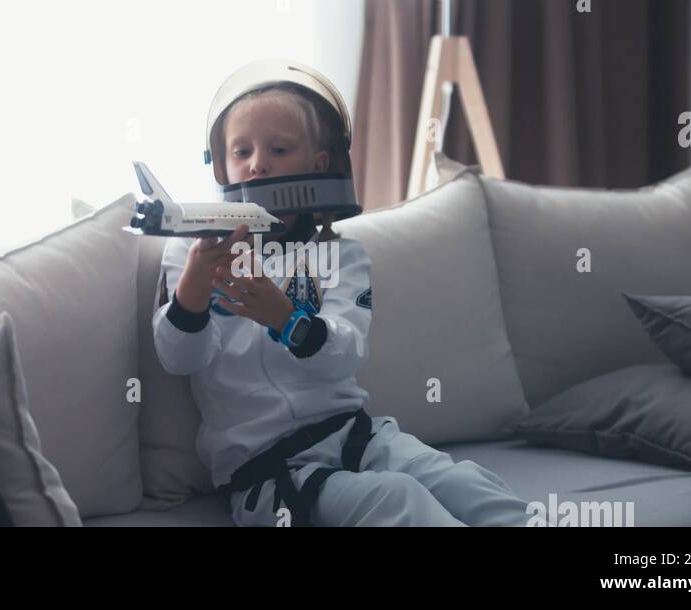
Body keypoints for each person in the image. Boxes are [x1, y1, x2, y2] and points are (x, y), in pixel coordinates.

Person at [153, 59, 539, 526]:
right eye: (241, 151)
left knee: (462, 482)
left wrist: (287, 319)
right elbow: (181, 360)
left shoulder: (341, 256)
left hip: (355, 435)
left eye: (278, 148)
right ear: (220, 164)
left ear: (320, 165)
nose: (257, 164)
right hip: (267, 473)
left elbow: (344, 352)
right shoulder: (196, 252)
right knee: (393, 499)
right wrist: (191, 298)